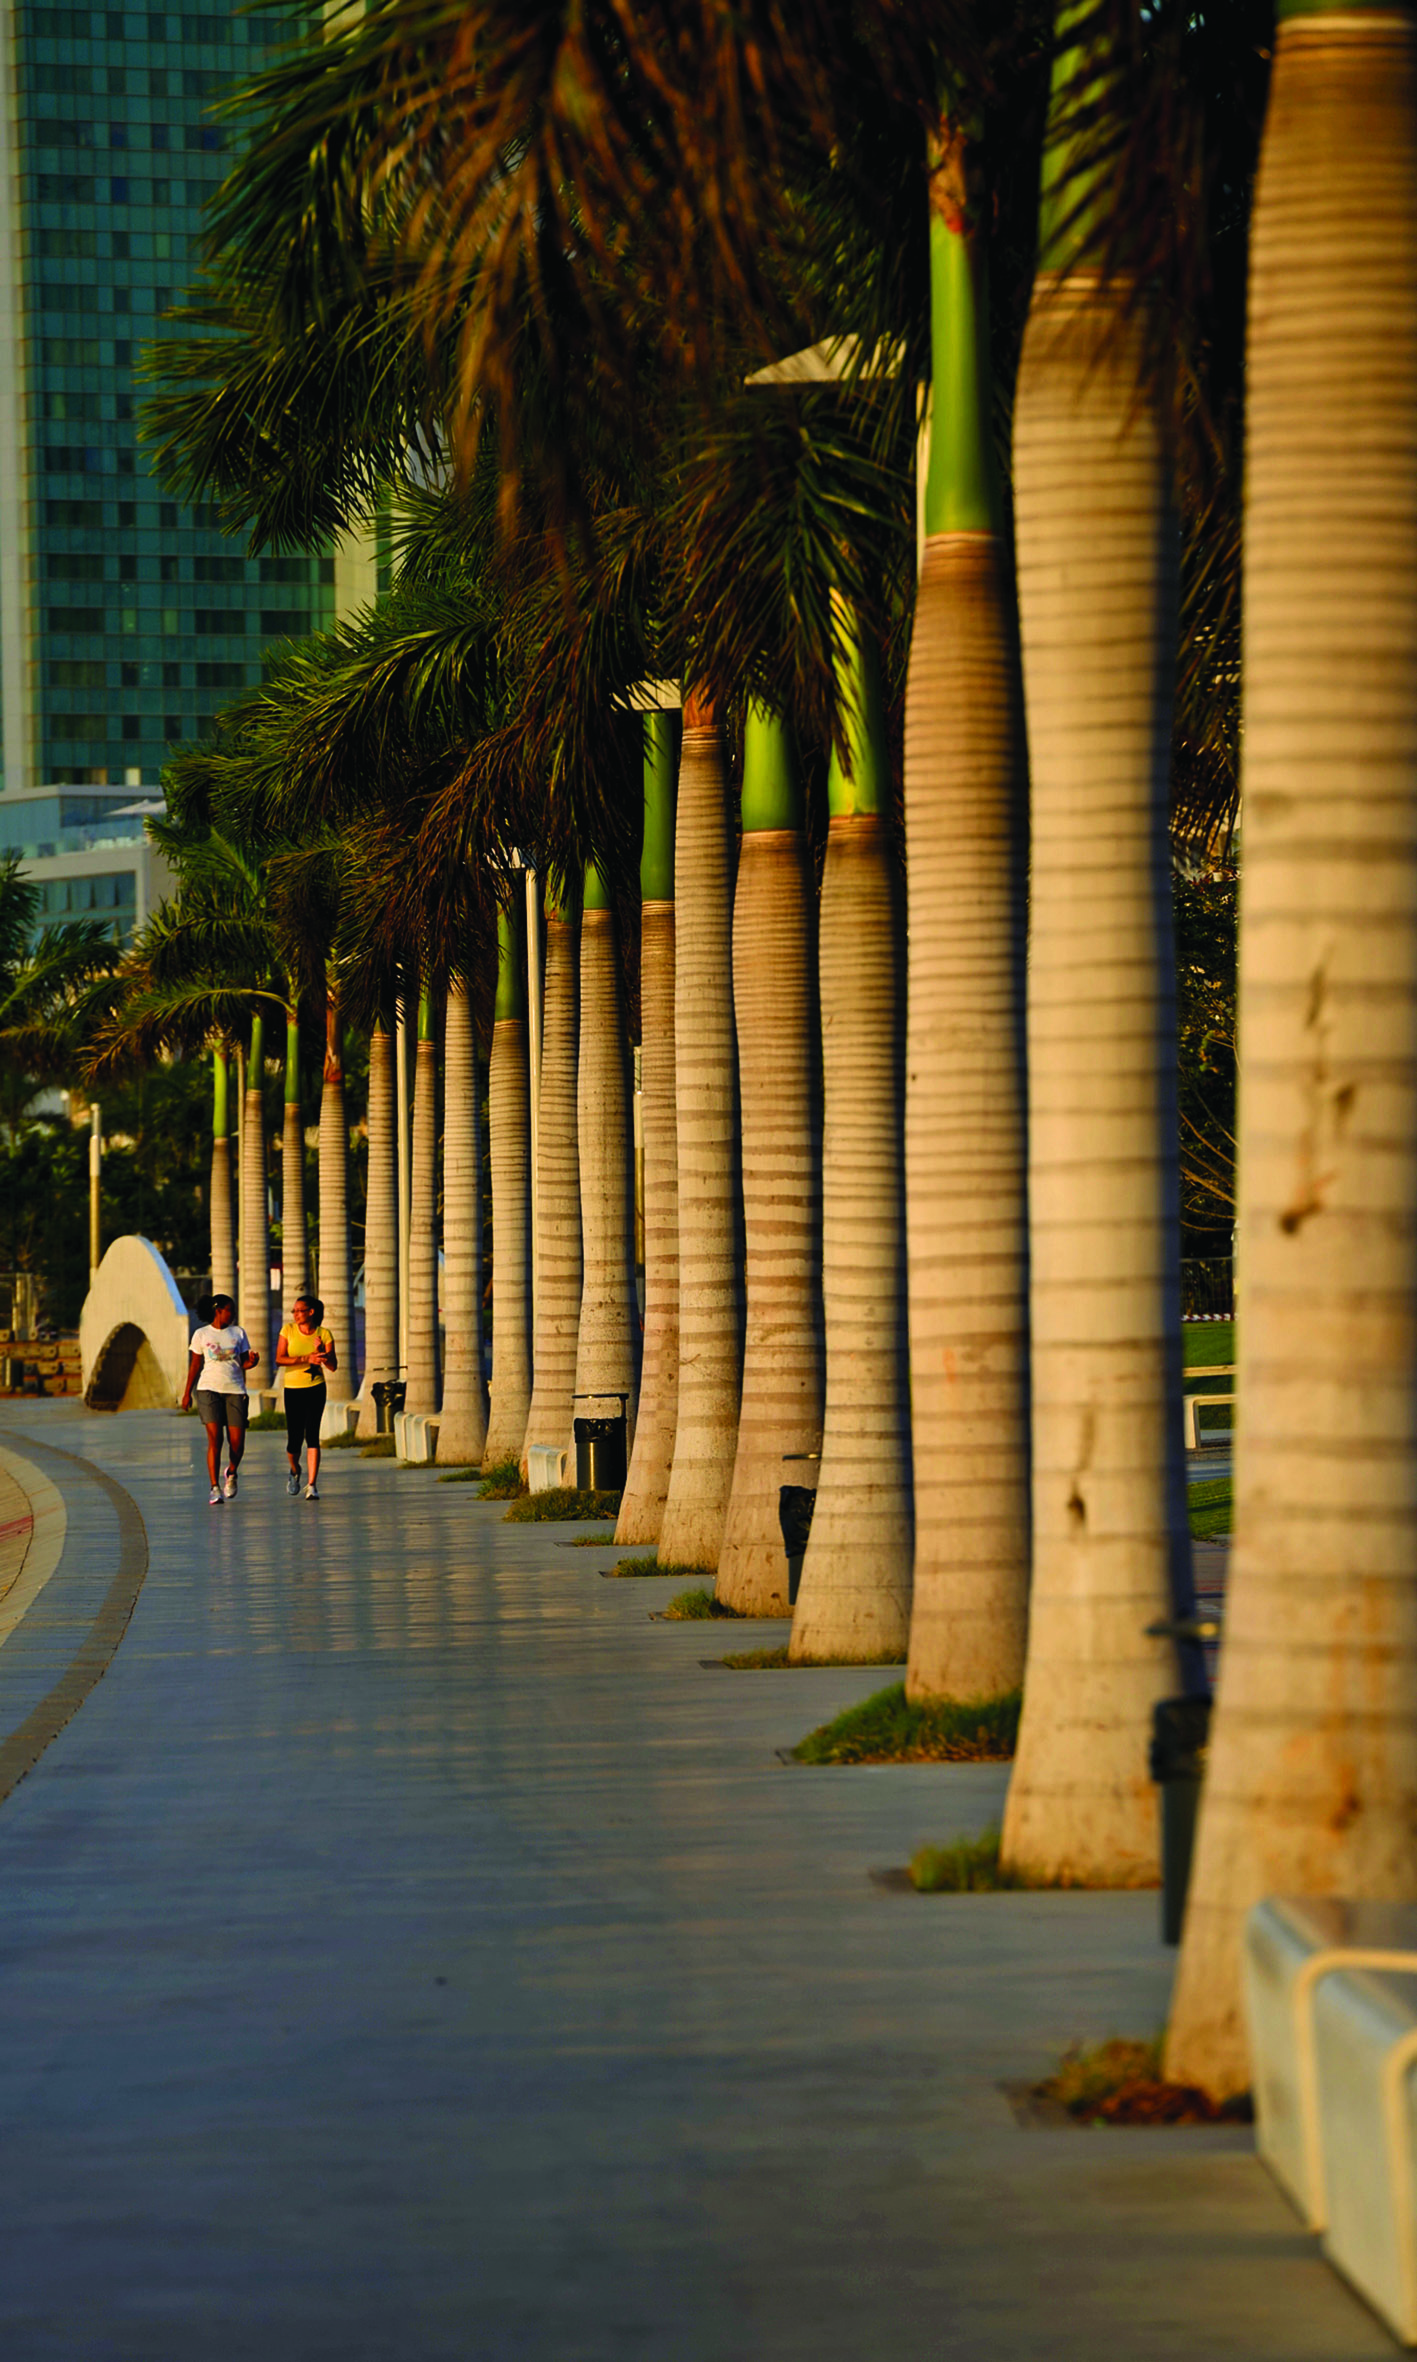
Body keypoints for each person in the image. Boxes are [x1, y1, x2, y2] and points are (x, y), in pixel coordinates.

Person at [180, 1293, 259, 1507]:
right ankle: (214, 1488)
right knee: (215, 1440)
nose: (232, 1314)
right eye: (229, 1310)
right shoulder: (201, 1334)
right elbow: (195, 1365)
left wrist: (252, 1362)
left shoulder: (238, 1333)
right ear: (218, 1311)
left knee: (237, 1443)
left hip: (234, 1390)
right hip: (208, 1389)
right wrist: (187, 1392)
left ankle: (231, 1472)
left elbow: (243, 1363)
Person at [276, 1295, 336, 1501]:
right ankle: (295, 1470)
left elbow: (333, 1366)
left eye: (299, 1310)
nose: (295, 1315)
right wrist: (305, 1358)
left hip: (316, 1388)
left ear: (311, 1312)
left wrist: (321, 1353)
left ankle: (312, 1485)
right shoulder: (288, 1331)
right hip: (293, 1389)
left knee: (312, 1435)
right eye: (294, 1311)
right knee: (294, 1440)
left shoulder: (324, 1334)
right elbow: (279, 1358)